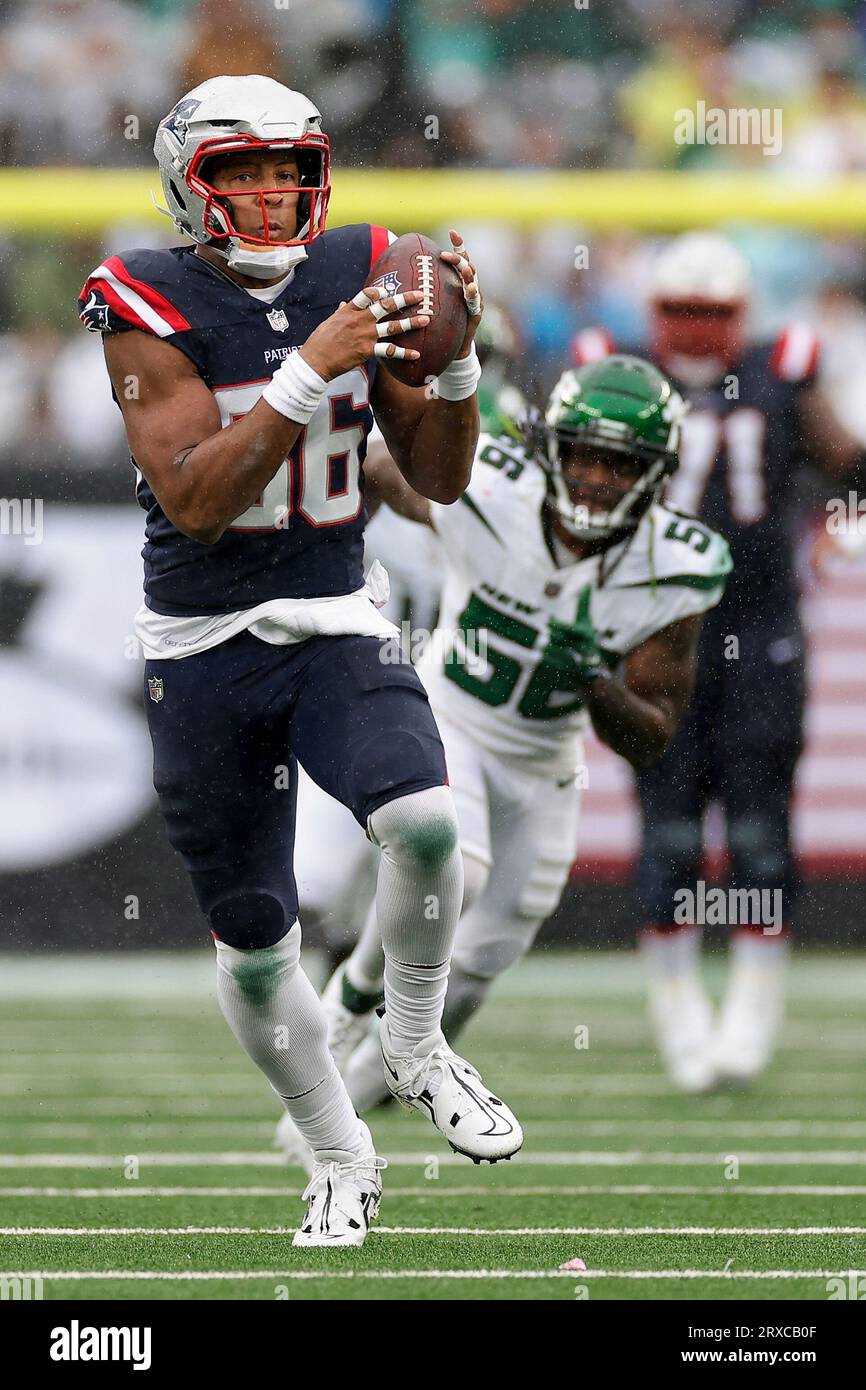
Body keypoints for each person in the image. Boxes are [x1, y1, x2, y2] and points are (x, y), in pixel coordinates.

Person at [77, 73, 522, 1247]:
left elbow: (436, 478)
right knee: (257, 937)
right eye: (242, 174)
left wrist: (455, 365)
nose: (271, 197)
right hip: (203, 642)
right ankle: (336, 1153)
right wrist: (311, 364)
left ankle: (415, 1041)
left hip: (332, 612)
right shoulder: (141, 300)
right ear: (190, 181)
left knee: (425, 823)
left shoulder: (369, 262)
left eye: (288, 172)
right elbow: (197, 498)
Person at [276, 353, 732, 1167]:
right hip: (451, 717)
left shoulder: (679, 564)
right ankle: (345, 1003)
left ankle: (358, 1092)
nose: (594, 479)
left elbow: (656, 731)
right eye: (583, 455)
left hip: (548, 765)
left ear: (655, 477)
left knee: (479, 961)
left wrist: (594, 679)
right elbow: (375, 468)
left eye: (619, 463)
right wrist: (327, 569)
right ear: (550, 449)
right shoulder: (490, 486)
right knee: (461, 865)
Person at [572, 231, 861, 1091]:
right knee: (665, 826)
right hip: (653, 626)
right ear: (652, 315)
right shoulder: (608, 369)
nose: (697, 331)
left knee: (760, 827)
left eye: (713, 314)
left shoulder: (787, 368)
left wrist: (843, 518)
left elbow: (846, 464)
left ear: (744, 316)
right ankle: (678, 1010)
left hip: (763, 624)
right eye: (681, 313)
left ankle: (751, 1004)